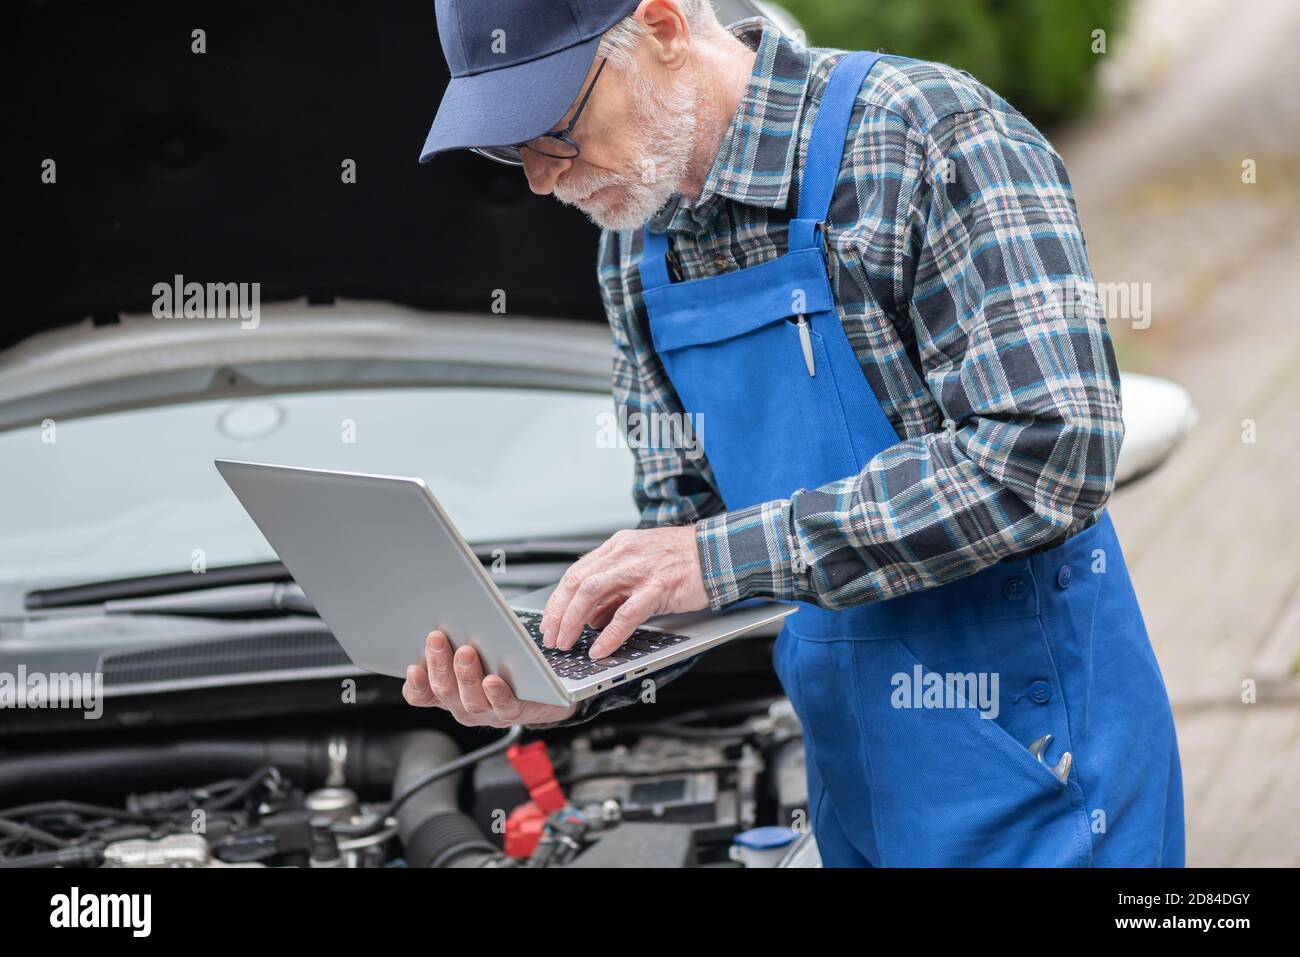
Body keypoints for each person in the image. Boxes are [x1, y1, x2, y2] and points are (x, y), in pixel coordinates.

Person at [403, 0, 1184, 866]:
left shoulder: (927, 137)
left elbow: (1048, 455)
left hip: (1045, 777)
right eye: (511, 152)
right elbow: (683, 542)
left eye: (556, 130)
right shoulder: (635, 250)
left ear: (663, 29)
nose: (544, 181)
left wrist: (712, 556)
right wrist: (570, 682)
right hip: (851, 791)